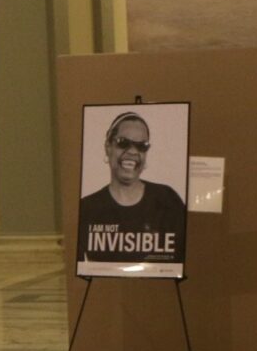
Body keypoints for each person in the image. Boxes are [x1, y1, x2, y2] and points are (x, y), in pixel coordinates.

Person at [77, 111, 187, 270]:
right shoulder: (88, 209)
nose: (133, 152)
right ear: (108, 147)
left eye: (142, 146)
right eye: (123, 142)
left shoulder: (168, 200)